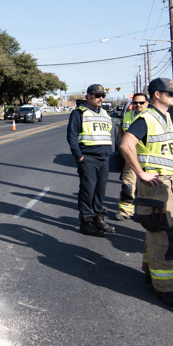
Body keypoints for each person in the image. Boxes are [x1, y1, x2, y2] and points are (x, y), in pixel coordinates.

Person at [119, 78, 173, 309]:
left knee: (157, 232)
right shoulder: (146, 118)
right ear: (157, 94)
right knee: (166, 234)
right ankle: (166, 287)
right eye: (171, 93)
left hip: (168, 182)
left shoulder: (164, 116)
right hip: (156, 183)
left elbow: (168, 137)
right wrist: (142, 173)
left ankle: (151, 271)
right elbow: (126, 144)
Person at [67, 84, 117, 237]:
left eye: (102, 95)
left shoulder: (104, 113)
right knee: (88, 191)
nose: (100, 98)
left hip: (104, 158)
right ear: (88, 96)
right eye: (97, 95)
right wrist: (79, 155)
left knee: (100, 191)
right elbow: (72, 136)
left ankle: (98, 218)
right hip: (88, 157)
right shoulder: (79, 113)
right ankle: (86, 222)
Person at [115, 92, 149, 220]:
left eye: (141, 103)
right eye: (135, 103)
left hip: (150, 159)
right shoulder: (128, 115)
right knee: (128, 185)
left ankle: (148, 213)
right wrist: (123, 145)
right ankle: (125, 211)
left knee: (150, 187)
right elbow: (121, 130)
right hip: (132, 158)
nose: (138, 105)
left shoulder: (152, 117)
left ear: (147, 103)